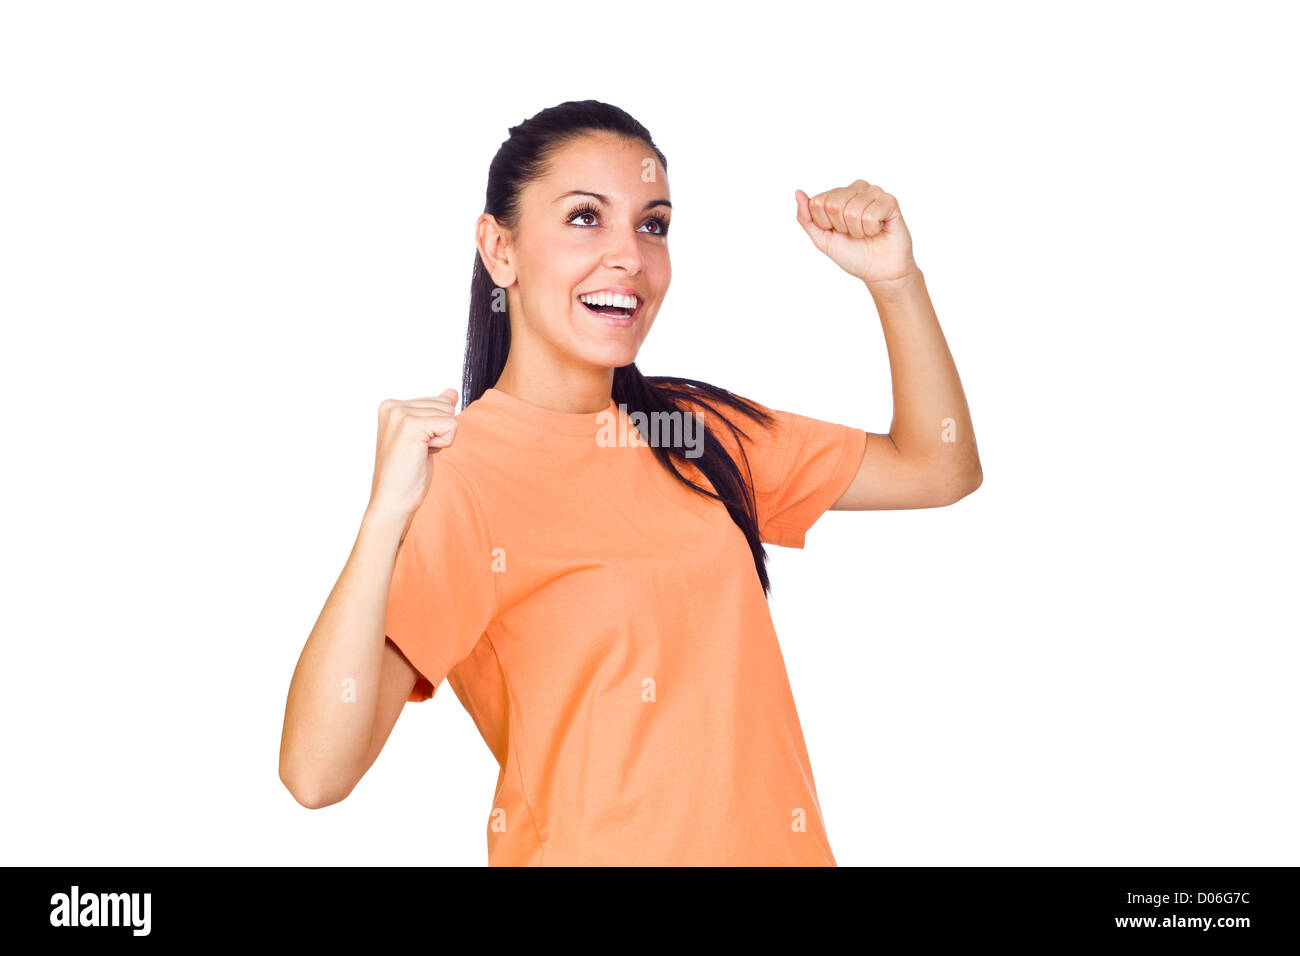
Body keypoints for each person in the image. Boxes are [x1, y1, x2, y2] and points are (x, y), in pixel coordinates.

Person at [279, 99, 982, 866]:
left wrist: (896, 280)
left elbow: (939, 467)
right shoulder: (462, 477)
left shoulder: (693, 433)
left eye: (653, 225)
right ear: (500, 249)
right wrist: (383, 517)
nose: (630, 256)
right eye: (586, 217)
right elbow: (315, 774)